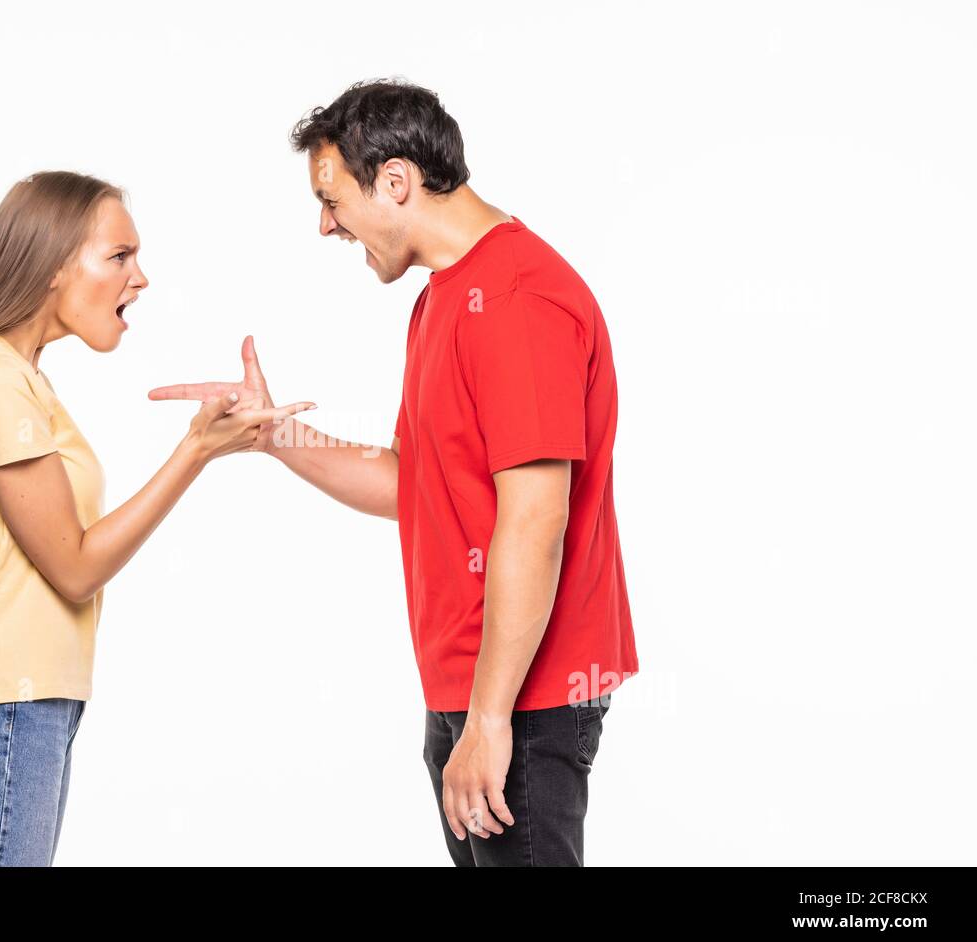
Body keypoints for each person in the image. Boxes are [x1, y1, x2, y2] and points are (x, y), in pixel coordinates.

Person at [149, 80, 638, 866]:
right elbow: (416, 483)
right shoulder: (444, 297)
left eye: (331, 197)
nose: (324, 225)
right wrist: (278, 434)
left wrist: (488, 721)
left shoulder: (517, 298)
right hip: (468, 689)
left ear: (397, 180)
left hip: (523, 699)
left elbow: (535, 521)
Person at [0, 171, 313, 866]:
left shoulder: (17, 375)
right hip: (6, 709)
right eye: (120, 256)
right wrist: (196, 451)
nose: (141, 278)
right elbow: (74, 566)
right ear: (52, 264)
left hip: (23, 709)